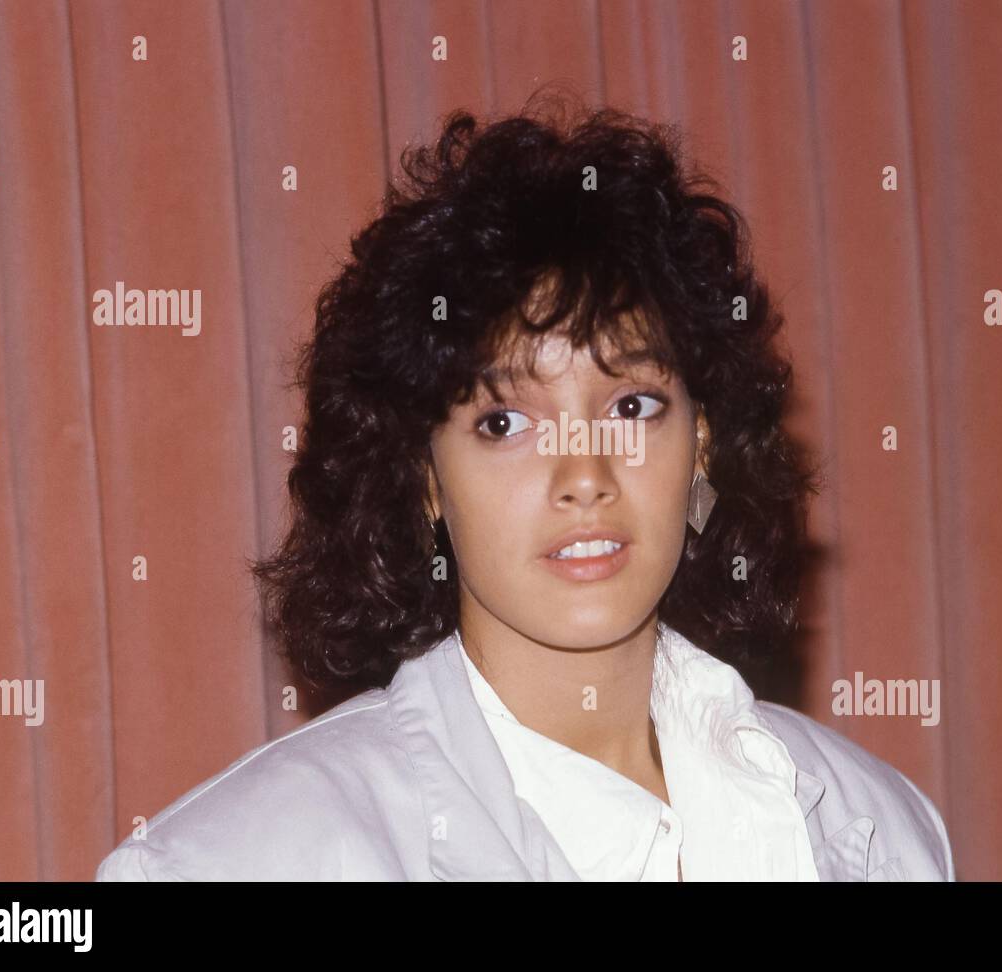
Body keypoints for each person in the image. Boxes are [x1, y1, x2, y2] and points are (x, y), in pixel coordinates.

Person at [96, 95, 955, 882]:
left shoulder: (884, 829)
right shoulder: (227, 864)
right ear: (423, 479)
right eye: (505, 422)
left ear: (701, 447)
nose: (584, 474)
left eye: (631, 405)